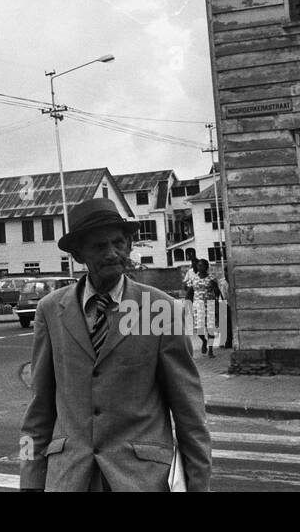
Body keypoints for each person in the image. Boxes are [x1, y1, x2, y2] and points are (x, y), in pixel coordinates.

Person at [20, 197, 211, 492]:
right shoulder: (50, 310)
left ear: (129, 245)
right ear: (79, 253)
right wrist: (29, 479)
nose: (111, 253)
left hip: (141, 478)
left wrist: (199, 486)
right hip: (69, 478)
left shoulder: (158, 309)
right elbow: (37, 412)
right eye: (98, 246)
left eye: (118, 243)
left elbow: (190, 412)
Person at [184, 257, 219, 357]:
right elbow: (189, 291)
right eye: (198, 265)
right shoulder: (194, 278)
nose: (199, 267)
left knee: (210, 328)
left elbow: (217, 293)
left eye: (201, 265)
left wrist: (215, 286)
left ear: (206, 267)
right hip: (198, 306)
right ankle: (204, 341)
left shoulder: (211, 278)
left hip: (210, 305)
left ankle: (211, 350)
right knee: (199, 329)